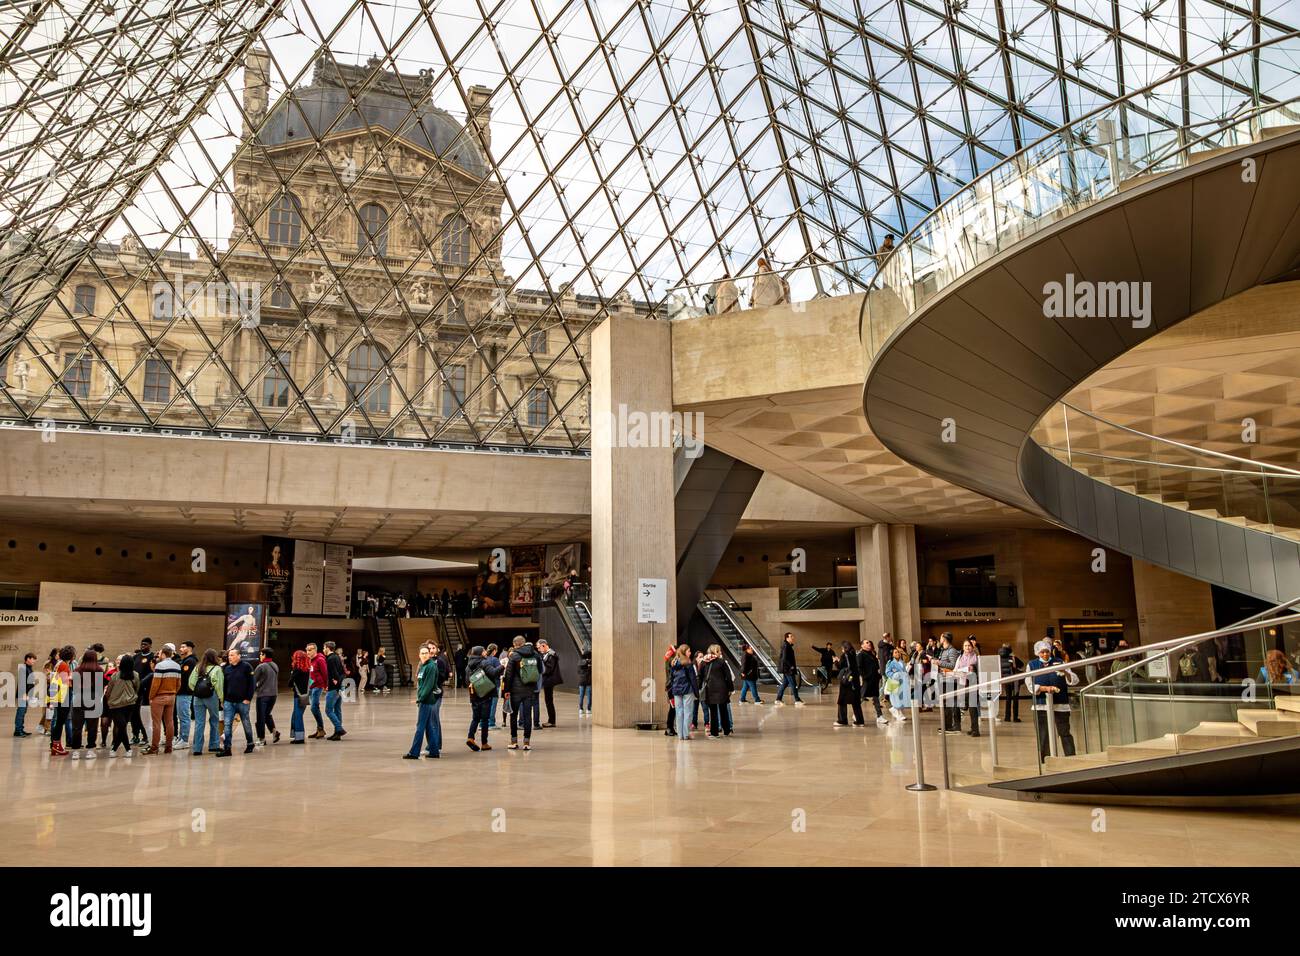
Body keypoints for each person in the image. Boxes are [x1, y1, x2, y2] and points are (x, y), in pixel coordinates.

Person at [1027, 638, 1079, 760]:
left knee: (1064, 732)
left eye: (1047, 652)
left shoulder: (1060, 662)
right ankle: (1046, 761)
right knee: (1043, 735)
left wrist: (1065, 672)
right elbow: (1029, 684)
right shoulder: (1032, 665)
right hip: (1041, 706)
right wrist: (1045, 688)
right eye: (1042, 652)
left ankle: (1071, 759)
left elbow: (1074, 680)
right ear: (1037, 653)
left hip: (1060, 705)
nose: (1045, 654)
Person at [404, 645, 442, 760]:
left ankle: (414, 752)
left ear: (430, 654)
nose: (425, 655)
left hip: (426, 701)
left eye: (426, 653)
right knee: (429, 726)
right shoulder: (423, 666)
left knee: (420, 726)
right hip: (425, 700)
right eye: (422, 653)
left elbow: (428, 686)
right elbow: (421, 684)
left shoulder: (430, 666)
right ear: (419, 655)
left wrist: (420, 699)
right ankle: (434, 751)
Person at [504, 636, 541, 751]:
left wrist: (506, 690)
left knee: (513, 715)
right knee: (527, 715)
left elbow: (509, 675)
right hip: (530, 690)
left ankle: (514, 742)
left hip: (515, 691)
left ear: (515, 645)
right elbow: (539, 670)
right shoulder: (535, 654)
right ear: (524, 643)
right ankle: (526, 742)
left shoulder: (514, 656)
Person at [217, 646, 256, 757]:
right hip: (229, 702)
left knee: (246, 722)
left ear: (239, 656)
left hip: (242, 701)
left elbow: (252, 684)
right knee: (227, 725)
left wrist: (248, 698)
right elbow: (224, 685)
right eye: (229, 655)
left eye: (232, 655)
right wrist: (223, 700)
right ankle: (227, 748)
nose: (230, 657)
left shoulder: (246, 667)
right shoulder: (227, 669)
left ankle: (250, 743)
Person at [143, 645, 181, 755]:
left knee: (156, 723)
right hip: (172, 696)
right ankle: (169, 747)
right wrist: (173, 692)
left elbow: (155, 684)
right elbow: (179, 684)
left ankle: (154, 748)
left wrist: (151, 697)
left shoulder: (160, 665)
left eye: (160, 653)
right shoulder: (177, 666)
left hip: (159, 697)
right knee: (170, 722)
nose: (159, 655)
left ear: (164, 654)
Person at [68, 650, 104, 759]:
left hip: (78, 698)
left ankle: (75, 751)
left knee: (76, 727)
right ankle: (90, 750)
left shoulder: (77, 670)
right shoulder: (99, 669)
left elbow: (73, 686)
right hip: (93, 699)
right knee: (92, 727)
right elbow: (100, 688)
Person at [465, 644, 502, 751]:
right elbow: (494, 673)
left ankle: (470, 737)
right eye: (484, 650)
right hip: (486, 694)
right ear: (481, 653)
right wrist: (503, 665)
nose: (486, 652)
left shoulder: (468, 665)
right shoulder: (484, 663)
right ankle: (484, 743)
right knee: (484, 719)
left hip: (474, 695)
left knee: (475, 718)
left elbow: (467, 681)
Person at [104, 655, 140, 757]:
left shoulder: (115, 676)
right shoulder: (135, 675)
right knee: (122, 726)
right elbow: (137, 688)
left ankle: (120, 749)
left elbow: (108, 691)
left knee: (121, 727)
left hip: (116, 705)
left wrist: (109, 700)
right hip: (129, 704)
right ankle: (123, 749)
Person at [189, 649, 224, 755]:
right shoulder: (217, 669)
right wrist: (221, 699)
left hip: (198, 697)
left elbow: (191, 683)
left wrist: (198, 690)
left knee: (199, 722)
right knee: (214, 720)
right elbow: (219, 685)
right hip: (211, 697)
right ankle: (214, 745)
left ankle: (197, 748)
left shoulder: (198, 667)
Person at [699, 644, 735, 737]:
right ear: (714, 652)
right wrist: (731, 688)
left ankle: (714, 732)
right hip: (722, 689)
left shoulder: (703, 662)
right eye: (718, 651)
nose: (720, 653)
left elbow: (700, 677)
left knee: (713, 711)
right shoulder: (722, 662)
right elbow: (728, 677)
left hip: (710, 689)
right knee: (724, 710)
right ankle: (726, 730)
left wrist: (698, 688)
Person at [48, 645, 75, 756]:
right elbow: (63, 681)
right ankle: (56, 745)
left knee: (59, 722)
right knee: (60, 722)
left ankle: (55, 745)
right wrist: (71, 678)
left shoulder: (59, 663)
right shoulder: (63, 665)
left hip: (59, 695)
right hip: (63, 696)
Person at [668, 644, 699, 740]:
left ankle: (680, 735)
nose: (690, 653)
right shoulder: (688, 664)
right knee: (688, 712)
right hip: (687, 690)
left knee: (679, 712)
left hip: (677, 690)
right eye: (689, 651)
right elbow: (693, 679)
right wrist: (696, 692)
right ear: (684, 652)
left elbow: (671, 678)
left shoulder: (674, 663)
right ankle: (686, 734)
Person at [933, 633, 962, 733]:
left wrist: (939, 663)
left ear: (944, 639)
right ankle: (947, 725)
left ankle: (956, 726)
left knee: (952, 703)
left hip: (950, 680)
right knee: (946, 703)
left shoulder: (952, 650)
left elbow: (953, 665)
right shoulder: (943, 650)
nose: (939, 639)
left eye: (940, 637)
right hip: (943, 679)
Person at [952, 637, 981, 737]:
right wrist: (960, 672)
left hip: (972, 684)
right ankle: (957, 725)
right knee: (956, 704)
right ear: (963, 647)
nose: (967, 647)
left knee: (973, 708)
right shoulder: (960, 657)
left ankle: (975, 730)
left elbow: (979, 670)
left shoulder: (976, 657)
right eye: (965, 646)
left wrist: (972, 669)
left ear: (972, 647)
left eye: (969, 645)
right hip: (961, 684)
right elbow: (955, 670)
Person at [833, 641, 865, 727]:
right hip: (855, 681)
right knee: (856, 702)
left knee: (842, 701)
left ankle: (842, 720)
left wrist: (835, 661)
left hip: (847, 682)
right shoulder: (855, 654)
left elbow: (840, 667)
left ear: (844, 648)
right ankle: (860, 721)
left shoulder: (845, 655)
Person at [254, 648, 280, 745]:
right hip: (273, 695)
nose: (260, 656)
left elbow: (254, 681)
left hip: (263, 695)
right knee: (266, 714)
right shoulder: (275, 665)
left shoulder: (261, 667)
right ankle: (274, 732)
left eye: (261, 654)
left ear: (264, 655)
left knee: (260, 717)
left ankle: (261, 739)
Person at [857, 638, 886, 725]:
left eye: (869, 642)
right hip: (867, 680)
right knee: (861, 698)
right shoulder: (860, 655)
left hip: (874, 680)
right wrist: (864, 676)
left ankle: (879, 716)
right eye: (866, 643)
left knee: (876, 698)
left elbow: (876, 666)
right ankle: (856, 714)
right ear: (862, 645)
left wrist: (878, 675)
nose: (869, 644)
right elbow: (859, 667)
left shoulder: (872, 654)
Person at [176, 641, 198, 748]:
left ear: (189, 648)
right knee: (181, 716)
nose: (180, 649)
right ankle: (180, 738)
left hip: (185, 692)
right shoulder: (185, 660)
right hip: (181, 692)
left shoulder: (190, 661)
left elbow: (186, 679)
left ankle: (184, 740)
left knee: (184, 716)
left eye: (183, 647)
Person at [322, 642, 347, 740]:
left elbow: (334, 673)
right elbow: (342, 672)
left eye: (324, 648)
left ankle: (339, 728)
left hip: (333, 688)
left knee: (328, 710)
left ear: (328, 648)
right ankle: (337, 734)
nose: (323, 649)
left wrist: (334, 683)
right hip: (339, 687)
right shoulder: (337, 657)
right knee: (337, 710)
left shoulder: (330, 659)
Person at [288, 650, 311, 744]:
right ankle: (295, 735)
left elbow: (289, 683)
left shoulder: (297, 669)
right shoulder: (307, 669)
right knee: (296, 716)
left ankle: (299, 738)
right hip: (305, 696)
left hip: (298, 696)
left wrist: (292, 674)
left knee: (297, 717)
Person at [774, 633, 803, 706]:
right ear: (787, 638)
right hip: (788, 669)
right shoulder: (786, 646)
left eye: (793, 636)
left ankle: (778, 699)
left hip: (786, 668)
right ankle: (797, 700)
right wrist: (791, 666)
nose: (793, 638)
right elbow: (784, 658)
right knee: (793, 684)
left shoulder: (787, 645)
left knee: (784, 684)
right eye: (791, 636)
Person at [538, 639, 562, 727]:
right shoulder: (547, 654)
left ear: (543, 645)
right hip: (548, 680)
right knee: (548, 701)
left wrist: (541, 665)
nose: (539, 650)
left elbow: (549, 669)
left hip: (550, 680)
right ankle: (551, 720)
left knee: (549, 701)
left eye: (539, 647)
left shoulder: (551, 654)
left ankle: (552, 721)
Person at [307, 642, 328, 737]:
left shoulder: (320, 660)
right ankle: (319, 729)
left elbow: (325, 673)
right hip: (311, 686)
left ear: (315, 650)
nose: (308, 652)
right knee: (315, 708)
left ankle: (321, 729)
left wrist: (326, 685)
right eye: (307, 650)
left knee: (314, 708)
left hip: (318, 686)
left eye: (310, 650)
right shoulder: (310, 660)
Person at [884, 647, 911, 722]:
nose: (897, 654)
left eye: (898, 652)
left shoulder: (902, 662)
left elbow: (905, 671)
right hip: (894, 681)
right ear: (892, 654)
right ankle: (898, 714)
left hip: (902, 682)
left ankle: (897, 711)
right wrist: (894, 675)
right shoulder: (891, 662)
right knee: (895, 698)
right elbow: (887, 672)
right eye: (895, 652)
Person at [999, 644, 1023, 722]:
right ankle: (1015, 718)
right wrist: (1014, 657)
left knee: (1008, 698)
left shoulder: (1000, 658)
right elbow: (1021, 665)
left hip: (1006, 680)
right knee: (1015, 698)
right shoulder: (1012, 657)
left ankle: (1007, 717)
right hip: (1015, 680)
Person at [14, 652, 36, 738]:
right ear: (28, 659)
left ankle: (21, 729)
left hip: (27, 694)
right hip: (23, 695)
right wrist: (24, 693)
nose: (34, 661)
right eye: (33, 659)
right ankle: (17, 731)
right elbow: (22, 682)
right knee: (21, 712)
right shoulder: (23, 668)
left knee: (23, 712)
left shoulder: (29, 668)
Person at [576, 648, 592, 716]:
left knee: (581, 696)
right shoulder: (590, 663)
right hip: (588, 681)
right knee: (589, 696)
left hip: (581, 681)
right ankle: (588, 709)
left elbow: (578, 671)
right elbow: (589, 671)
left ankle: (580, 709)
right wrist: (589, 667)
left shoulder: (579, 662)